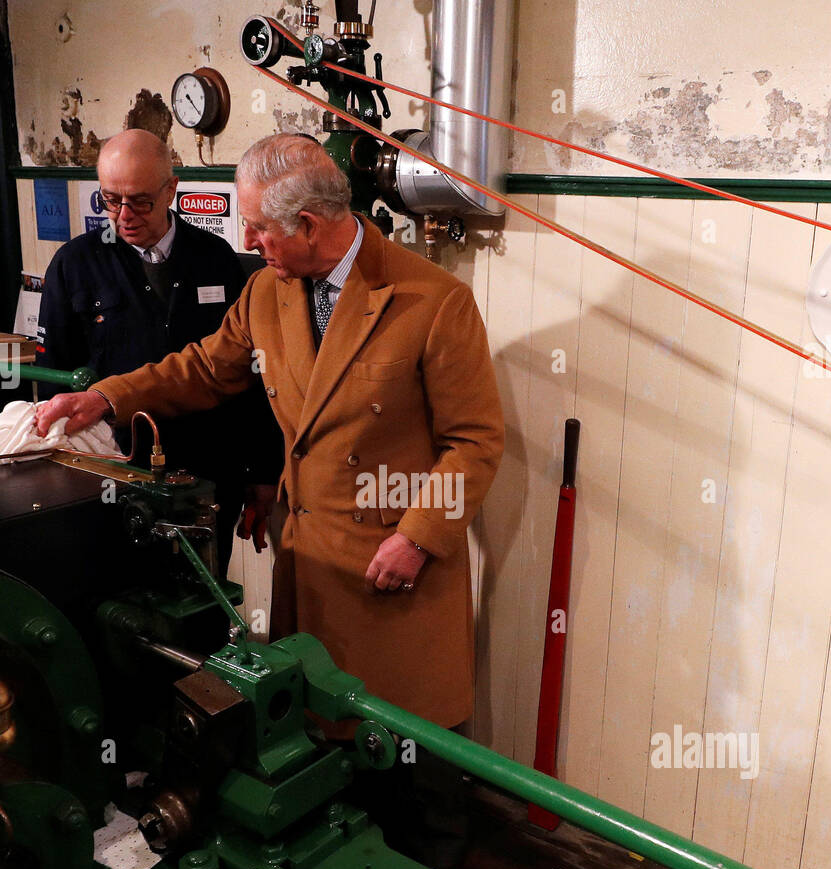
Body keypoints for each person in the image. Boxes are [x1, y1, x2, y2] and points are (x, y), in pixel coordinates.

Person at [36, 133, 505, 734]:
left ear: (308, 224)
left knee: (411, 756)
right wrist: (107, 396)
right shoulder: (267, 289)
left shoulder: (434, 302)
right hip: (307, 565)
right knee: (319, 741)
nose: (247, 241)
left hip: (391, 567)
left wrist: (419, 538)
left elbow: (475, 443)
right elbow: (205, 367)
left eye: (258, 228)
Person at [36, 128, 281, 567]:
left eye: (141, 201)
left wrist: (263, 474)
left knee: (202, 601)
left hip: (206, 474)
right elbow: (55, 379)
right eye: (110, 200)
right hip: (112, 475)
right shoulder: (74, 265)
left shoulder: (216, 257)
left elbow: (251, 373)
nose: (124, 215)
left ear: (171, 189)